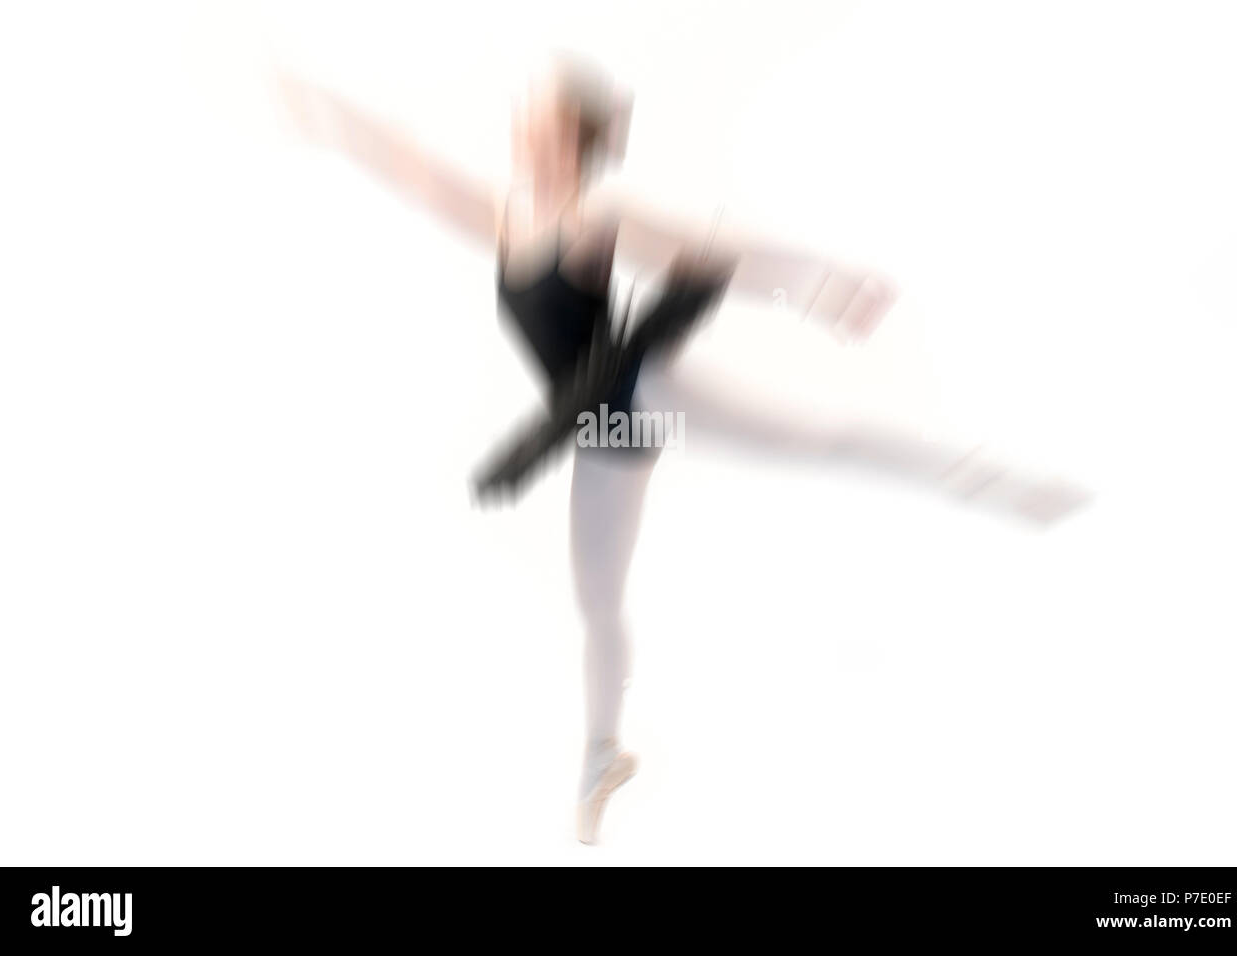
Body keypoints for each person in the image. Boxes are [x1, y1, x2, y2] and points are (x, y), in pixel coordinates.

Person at [277, 53, 1085, 844]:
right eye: (531, 123)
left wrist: (817, 284)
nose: (533, 134)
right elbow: (411, 168)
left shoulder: (594, 218)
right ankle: (603, 755)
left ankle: (988, 480)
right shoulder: (504, 215)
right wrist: (328, 116)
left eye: (552, 126)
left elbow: (713, 254)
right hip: (606, 431)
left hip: (648, 392)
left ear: (578, 140)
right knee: (597, 599)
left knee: (814, 437)